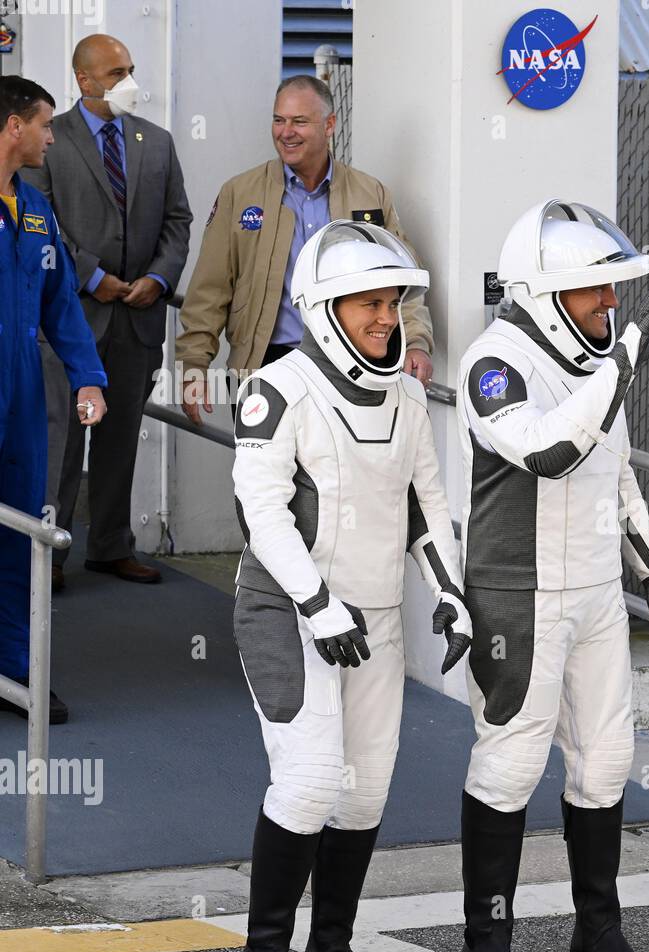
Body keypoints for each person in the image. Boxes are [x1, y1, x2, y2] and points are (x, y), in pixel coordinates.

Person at [230, 220, 470, 952]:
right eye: (367, 303)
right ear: (325, 310)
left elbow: (425, 503)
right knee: (306, 782)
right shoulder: (279, 388)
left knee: (363, 793)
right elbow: (259, 509)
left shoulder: (403, 392)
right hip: (287, 610)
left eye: (392, 303)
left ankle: (329, 947)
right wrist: (315, 601)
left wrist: (451, 592)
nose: (385, 319)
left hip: (371, 615)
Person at [454, 198, 649, 952]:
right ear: (547, 292)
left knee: (608, 762)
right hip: (517, 594)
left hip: (592, 593)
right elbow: (551, 452)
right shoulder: (494, 361)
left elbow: (614, 467)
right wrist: (618, 368)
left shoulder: (593, 359)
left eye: (614, 290)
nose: (609, 305)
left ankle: (598, 932)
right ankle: (485, 942)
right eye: (595, 291)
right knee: (511, 763)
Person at [26, 34, 191, 589]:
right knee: (62, 442)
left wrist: (158, 279)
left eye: (131, 68)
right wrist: (92, 276)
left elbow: (177, 221)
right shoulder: (50, 139)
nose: (130, 82)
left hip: (137, 319)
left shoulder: (158, 142)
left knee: (122, 438)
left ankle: (111, 545)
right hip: (71, 318)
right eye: (117, 72)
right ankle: (48, 555)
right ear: (84, 80)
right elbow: (40, 218)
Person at [178, 75, 433, 424]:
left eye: (299, 121)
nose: (286, 132)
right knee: (264, 476)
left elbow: (400, 281)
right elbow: (210, 288)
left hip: (352, 366)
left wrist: (416, 341)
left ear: (329, 125)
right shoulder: (240, 194)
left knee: (344, 476)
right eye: (278, 119)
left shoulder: (370, 195)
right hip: (266, 366)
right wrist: (194, 363)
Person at [0, 77, 107, 726]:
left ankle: (17, 667)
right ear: (13, 126)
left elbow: (62, 304)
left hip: (22, 405)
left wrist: (87, 376)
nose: (50, 135)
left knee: (22, 542)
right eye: (43, 124)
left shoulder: (35, 207)